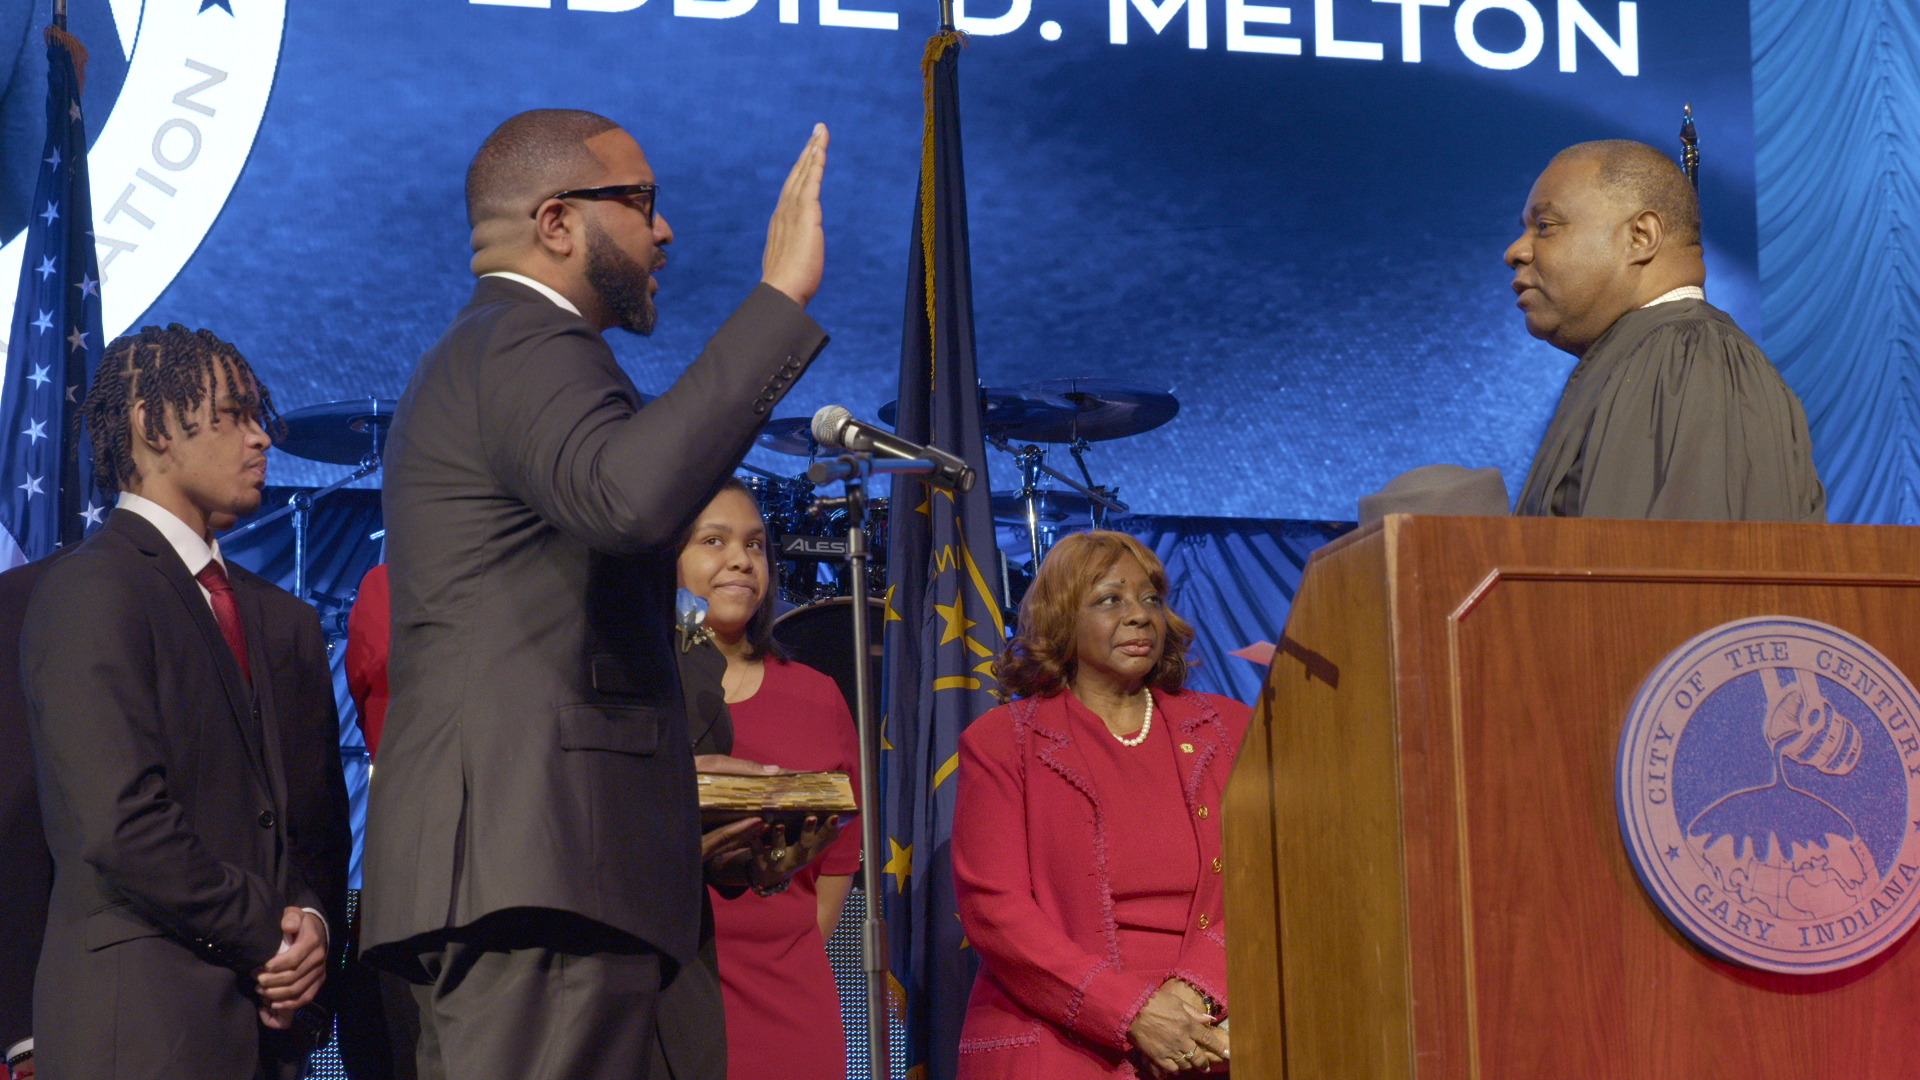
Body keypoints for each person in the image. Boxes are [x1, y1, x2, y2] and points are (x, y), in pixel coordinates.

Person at [358, 108, 831, 1080]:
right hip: (539, 890)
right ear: (559, 222)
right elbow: (630, 497)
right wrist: (779, 298)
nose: (664, 233)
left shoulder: (493, 353)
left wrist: (687, 835)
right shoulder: (527, 342)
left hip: (552, 880)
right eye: (642, 203)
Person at [21, 324, 345, 1079]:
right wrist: (267, 932)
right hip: (139, 1030)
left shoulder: (282, 621)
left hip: (269, 1041)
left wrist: (314, 930)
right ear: (150, 424)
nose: (262, 437)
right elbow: (122, 823)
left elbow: (315, 826)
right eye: (234, 414)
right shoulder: (90, 589)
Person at [951, 530, 1247, 1078]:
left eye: (1151, 599)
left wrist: (1195, 999)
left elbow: (1270, 879)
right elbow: (995, 911)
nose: (1138, 616)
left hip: (1211, 1035)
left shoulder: (1229, 729)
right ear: (1063, 619)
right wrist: (1132, 1013)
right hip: (1056, 1039)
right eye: (1110, 599)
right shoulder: (1001, 742)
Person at [1505, 139, 1826, 522]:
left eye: (1545, 226)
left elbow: (1677, 570)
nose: (1515, 251)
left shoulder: (1687, 359)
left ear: (1641, 236)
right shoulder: (1642, 355)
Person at [675, 479, 859, 1080]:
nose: (740, 559)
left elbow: (841, 853)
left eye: (756, 545)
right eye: (714, 540)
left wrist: (790, 933)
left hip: (787, 993)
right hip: (666, 988)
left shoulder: (816, 693)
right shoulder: (635, 691)